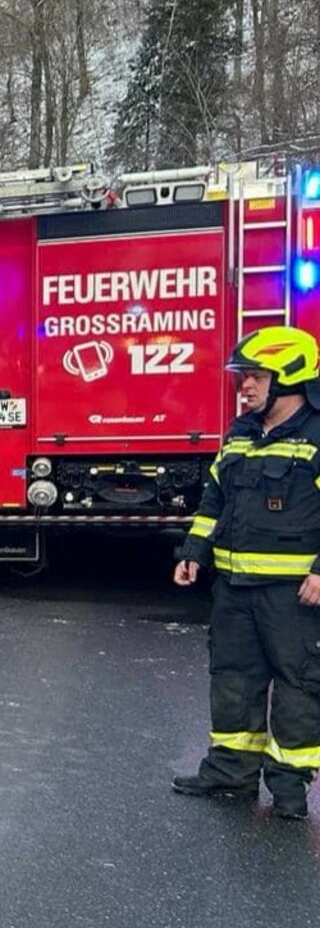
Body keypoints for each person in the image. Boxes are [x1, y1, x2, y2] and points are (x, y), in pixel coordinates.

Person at [172, 326, 320, 821]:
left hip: (293, 595)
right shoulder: (239, 435)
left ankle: (290, 789)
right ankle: (231, 775)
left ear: (290, 378)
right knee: (232, 679)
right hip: (234, 590)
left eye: (255, 377)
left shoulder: (316, 436)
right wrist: (194, 550)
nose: (245, 388)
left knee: (298, 686)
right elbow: (214, 500)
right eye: (243, 379)